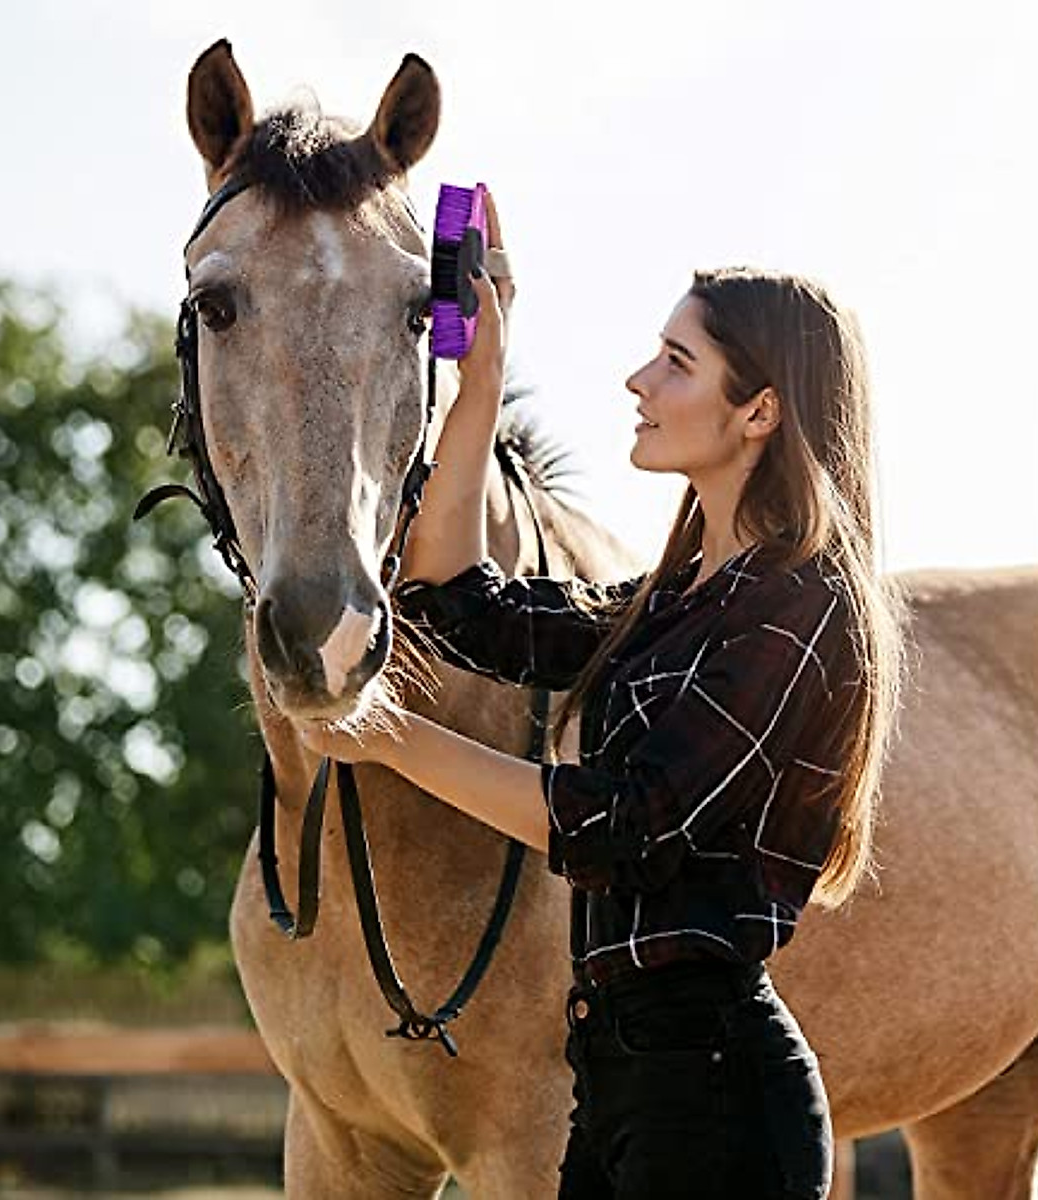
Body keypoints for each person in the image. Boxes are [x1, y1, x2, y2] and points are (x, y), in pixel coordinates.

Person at [300, 194, 905, 1199]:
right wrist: (481, 379)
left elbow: (625, 822)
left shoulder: (802, 607)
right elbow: (457, 602)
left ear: (759, 411)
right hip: (620, 1078)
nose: (639, 380)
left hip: (714, 1097)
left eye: (676, 362)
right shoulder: (671, 600)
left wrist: (389, 739)